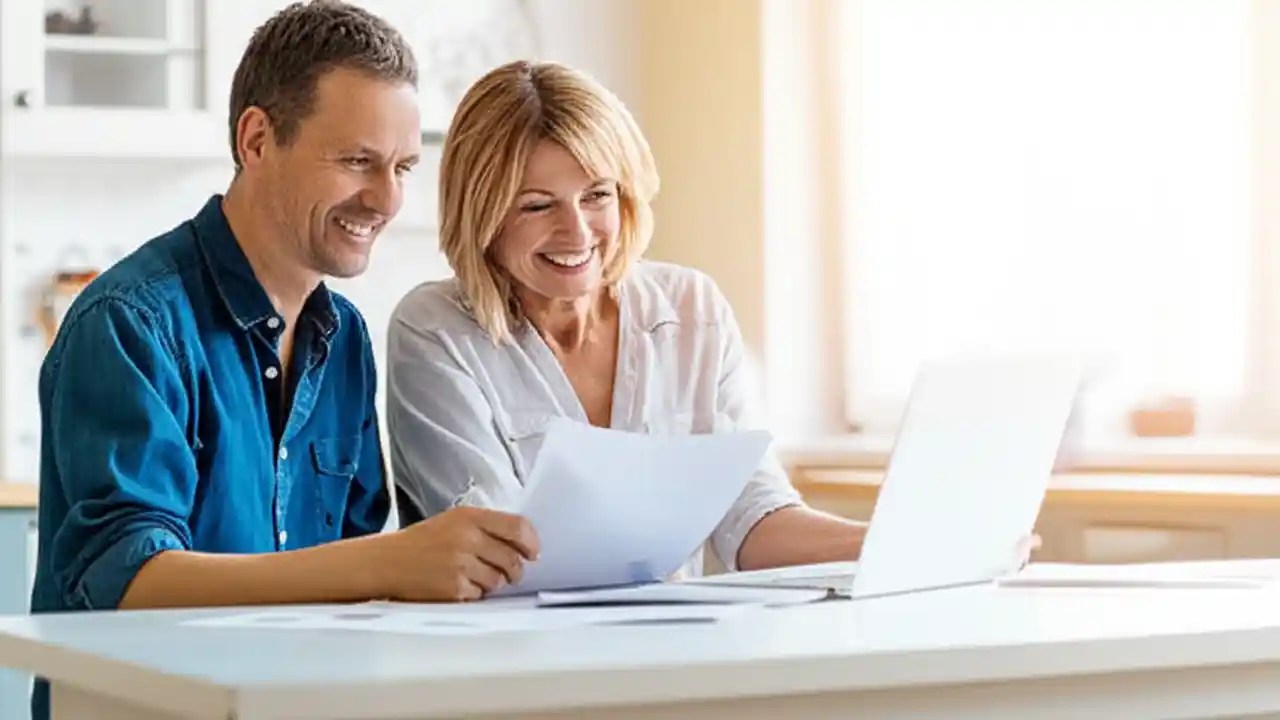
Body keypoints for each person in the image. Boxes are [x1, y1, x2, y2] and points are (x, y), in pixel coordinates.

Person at [31, 4, 539, 717]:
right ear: (258, 139)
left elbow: (351, 578)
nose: (387, 199)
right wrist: (394, 561)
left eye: (402, 167)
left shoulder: (347, 340)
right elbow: (126, 579)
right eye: (357, 161)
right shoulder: (131, 323)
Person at [385, 60, 872, 581]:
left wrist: (891, 540)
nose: (576, 233)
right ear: (483, 214)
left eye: (597, 196)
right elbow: (498, 547)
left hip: (665, 650)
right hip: (517, 655)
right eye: (537, 206)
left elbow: (753, 519)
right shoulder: (434, 332)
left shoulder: (691, 308)